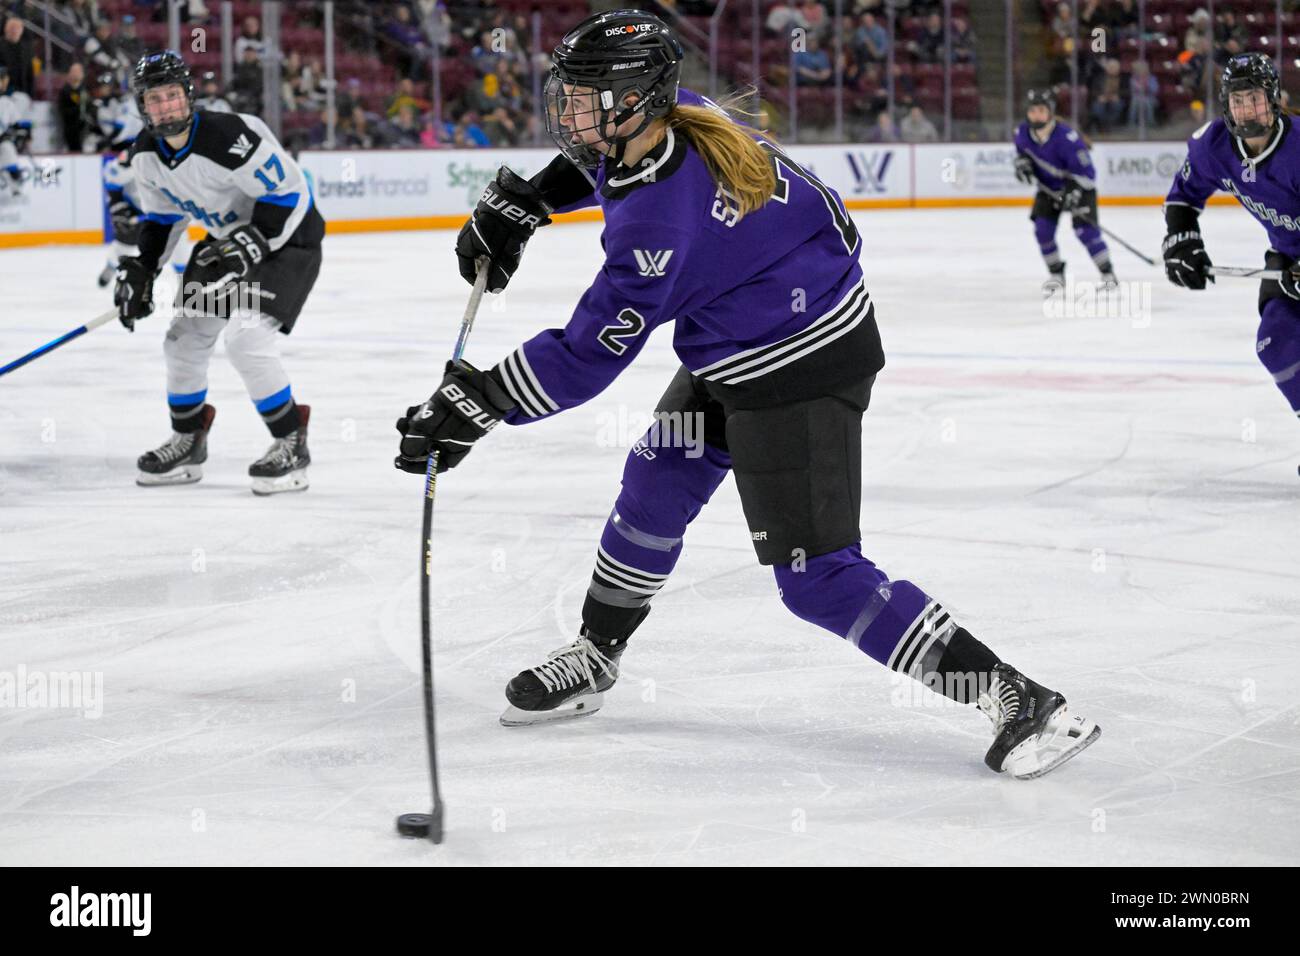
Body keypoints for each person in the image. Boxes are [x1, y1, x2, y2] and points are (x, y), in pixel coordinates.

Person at [394, 10, 1101, 780]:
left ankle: (1016, 697)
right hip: (740, 339)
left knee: (818, 579)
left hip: (802, 366)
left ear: (635, 101)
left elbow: (585, 359)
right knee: (656, 481)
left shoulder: (659, 227)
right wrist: (530, 201)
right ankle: (597, 657)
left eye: (585, 99)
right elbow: (607, 169)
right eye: (566, 95)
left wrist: (477, 404)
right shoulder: (681, 114)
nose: (567, 114)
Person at [114, 51, 325, 495]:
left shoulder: (228, 136)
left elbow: (289, 192)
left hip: (286, 239)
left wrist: (255, 240)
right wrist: (143, 268)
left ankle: (291, 443)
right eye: (155, 99)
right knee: (184, 339)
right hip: (226, 242)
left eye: (173, 95)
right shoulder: (146, 155)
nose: (166, 106)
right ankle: (188, 439)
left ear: (188, 96)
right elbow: (162, 220)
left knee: (247, 340)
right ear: (142, 106)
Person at [1163, 53, 1300, 473]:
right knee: (1274, 342)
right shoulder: (1214, 146)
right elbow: (1183, 195)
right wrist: (1182, 240)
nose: (1246, 109)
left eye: (1255, 98)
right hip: (1287, 257)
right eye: (1238, 101)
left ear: (1274, 100)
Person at [1013, 89, 1117, 294]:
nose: (1036, 115)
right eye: (1032, 111)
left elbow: (1088, 174)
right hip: (1048, 188)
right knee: (1042, 230)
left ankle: (1108, 275)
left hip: (1079, 187)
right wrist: (1022, 164)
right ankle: (1056, 275)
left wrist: (1074, 193)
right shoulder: (1022, 132)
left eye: (1041, 110)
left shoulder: (1067, 139)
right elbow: (1022, 154)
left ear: (1050, 111)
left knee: (1085, 232)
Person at [0, 64, 33, 195]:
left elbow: (19, 124)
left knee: (8, 149)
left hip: (2, 144)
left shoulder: (7, 102)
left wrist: (25, 134)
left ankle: (15, 189)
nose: (5, 82)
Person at [58, 62, 93, 151]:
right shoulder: (65, 91)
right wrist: (76, 109)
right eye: (74, 71)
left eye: (78, 71)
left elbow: (89, 106)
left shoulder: (85, 89)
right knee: (74, 148)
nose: (76, 74)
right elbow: (62, 109)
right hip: (71, 127)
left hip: (85, 127)